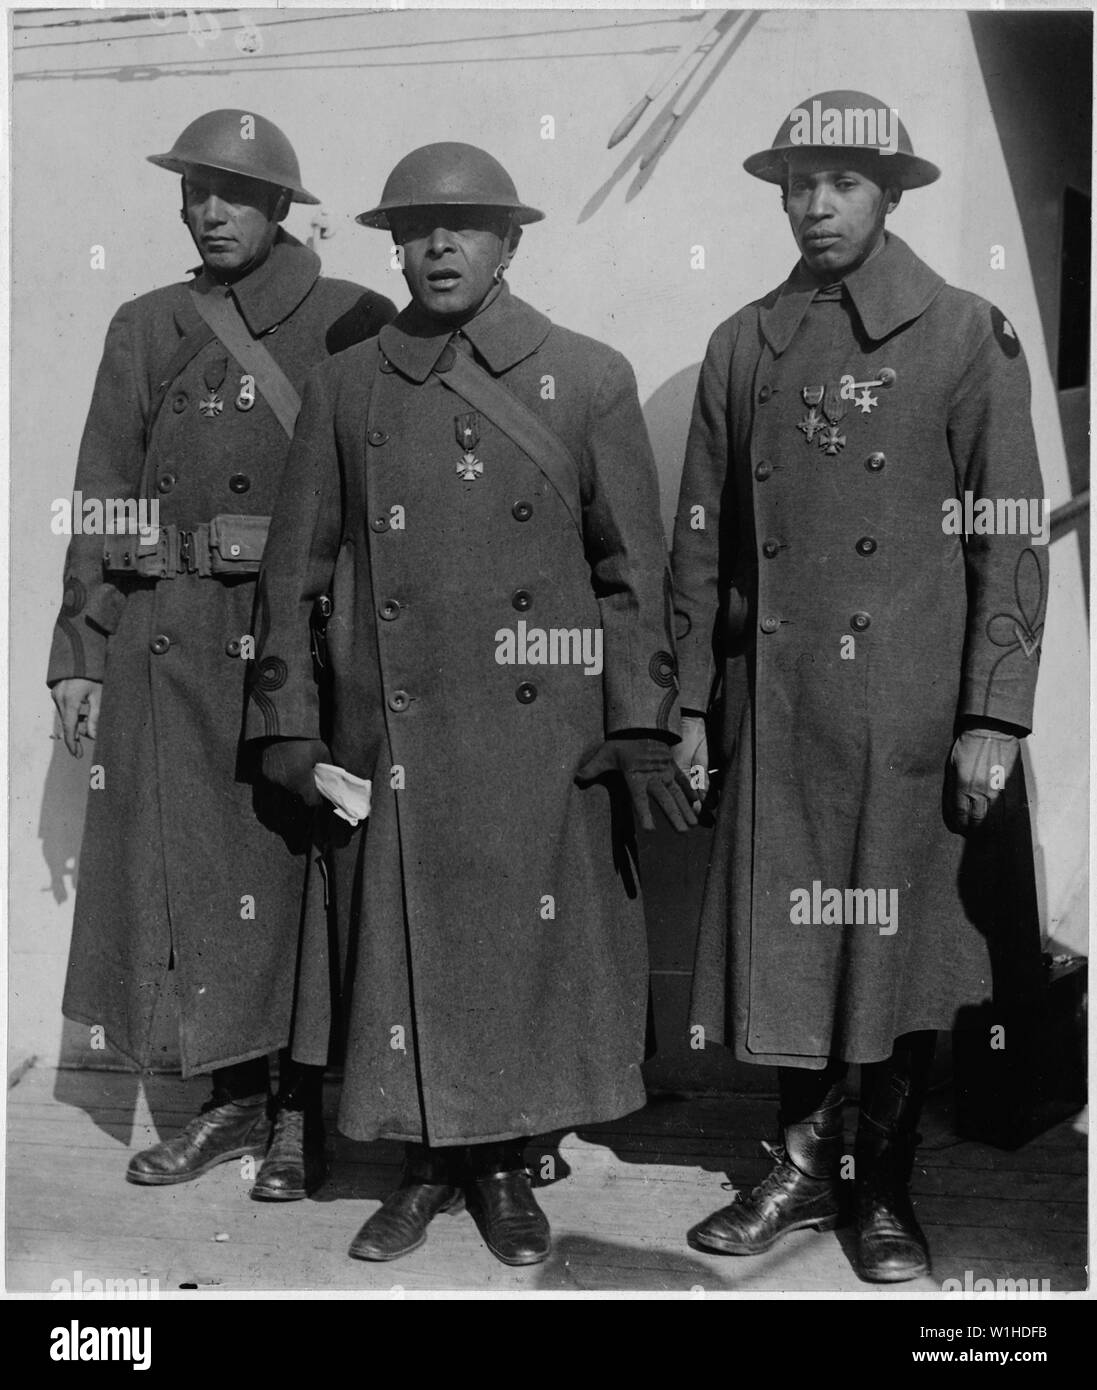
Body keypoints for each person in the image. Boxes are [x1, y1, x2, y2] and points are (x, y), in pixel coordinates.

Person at [249, 141, 695, 1266]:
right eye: (414, 228)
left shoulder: (586, 376)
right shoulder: (350, 385)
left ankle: (501, 1164)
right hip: (390, 728)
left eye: (464, 226)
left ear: (511, 241)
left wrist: (638, 720)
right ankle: (422, 1164)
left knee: (514, 951)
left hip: (539, 735)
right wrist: (290, 727)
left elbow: (631, 571)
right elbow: (293, 565)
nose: (436, 247)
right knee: (403, 954)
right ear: (393, 244)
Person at [671, 91, 1047, 1282]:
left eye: (840, 182)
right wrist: (687, 701)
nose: (814, 204)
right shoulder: (744, 341)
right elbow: (698, 540)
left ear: (889, 194)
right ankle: (793, 1165)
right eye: (797, 182)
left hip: (906, 715)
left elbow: (1007, 531)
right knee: (792, 946)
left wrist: (993, 707)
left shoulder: (960, 332)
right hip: (778, 710)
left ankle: (876, 1185)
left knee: (892, 955)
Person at [47, 109, 396, 1200]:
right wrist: (80, 652)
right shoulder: (147, 323)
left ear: (282, 206)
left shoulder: (353, 316)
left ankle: (300, 1109)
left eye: (234, 193)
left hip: (293, 643)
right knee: (193, 874)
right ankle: (229, 1099)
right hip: (167, 642)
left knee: (294, 872)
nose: (209, 210)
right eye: (195, 190)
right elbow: (102, 490)